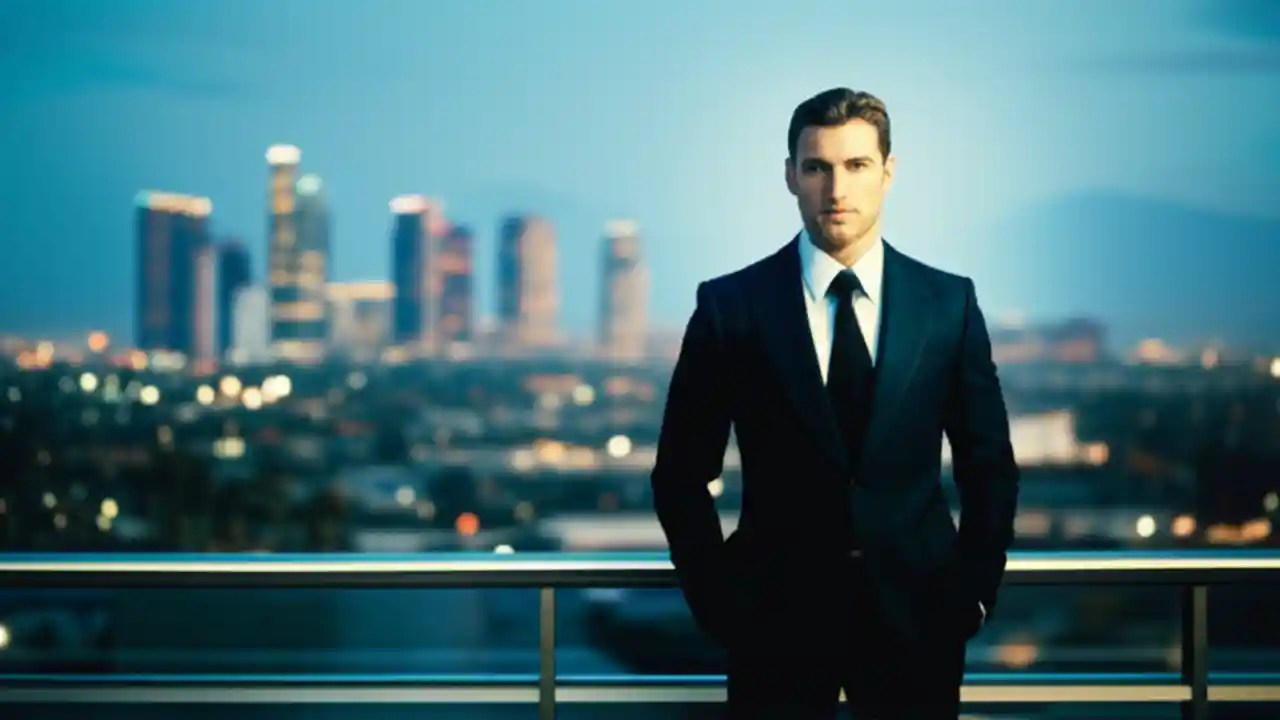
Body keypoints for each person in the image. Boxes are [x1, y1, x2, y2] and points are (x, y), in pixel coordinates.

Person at [650, 87, 1020, 719]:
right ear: (790, 176)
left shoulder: (947, 304)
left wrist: (973, 593)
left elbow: (989, 465)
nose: (836, 189)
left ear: (889, 172)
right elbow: (680, 474)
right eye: (817, 167)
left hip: (920, 616)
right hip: (774, 621)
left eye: (856, 166)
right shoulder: (730, 307)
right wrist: (717, 601)